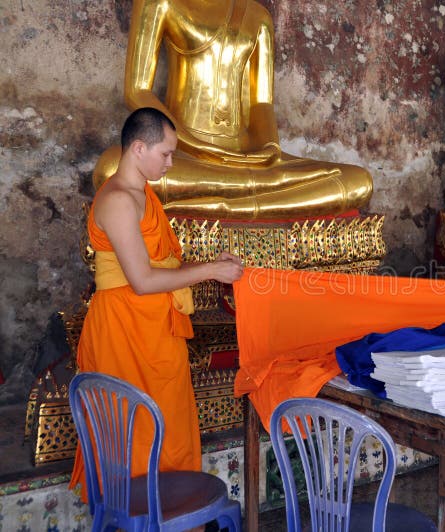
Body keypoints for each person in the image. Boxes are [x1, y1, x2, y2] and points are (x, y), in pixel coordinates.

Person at [70, 107, 244, 495]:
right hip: (124, 330)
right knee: (134, 432)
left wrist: (212, 263)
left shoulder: (143, 194)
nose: (170, 162)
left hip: (157, 328)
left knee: (172, 427)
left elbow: (162, 263)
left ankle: (178, 515)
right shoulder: (118, 199)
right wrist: (211, 272)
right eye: (165, 154)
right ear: (137, 147)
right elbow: (143, 280)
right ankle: (139, 515)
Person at [92, 0, 372, 220]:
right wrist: (197, 145)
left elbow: (260, 103)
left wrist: (269, 149)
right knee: (112, 167)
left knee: (358, 180)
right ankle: (253, 200)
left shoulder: (257, 15)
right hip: (184, 154)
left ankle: (228, 203)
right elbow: (137, 90)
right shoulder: (163, 2)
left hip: (246, 155)